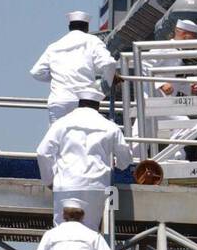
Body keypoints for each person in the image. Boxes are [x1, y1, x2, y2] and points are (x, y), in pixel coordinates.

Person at [36, 88, 133, 229]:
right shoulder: (110, 127)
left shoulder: (62, 123)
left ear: (79, 103)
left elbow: (43, 152)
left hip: (66, 184)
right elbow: (125, 157)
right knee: (90, 232)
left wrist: (49, 180)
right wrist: (118, 166)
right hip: (96, 185)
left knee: (62, 232)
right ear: (98, 105)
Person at [30, 11, 118, 124]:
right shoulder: (92, 41)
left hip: (59, 99)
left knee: (57, 139)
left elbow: (36, 72)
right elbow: (109, 63)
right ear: (87, 27)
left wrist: (56, 76)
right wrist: (105, 86)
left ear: (69, 27)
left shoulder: (55, 45)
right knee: (82, 137)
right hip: (83, 100)